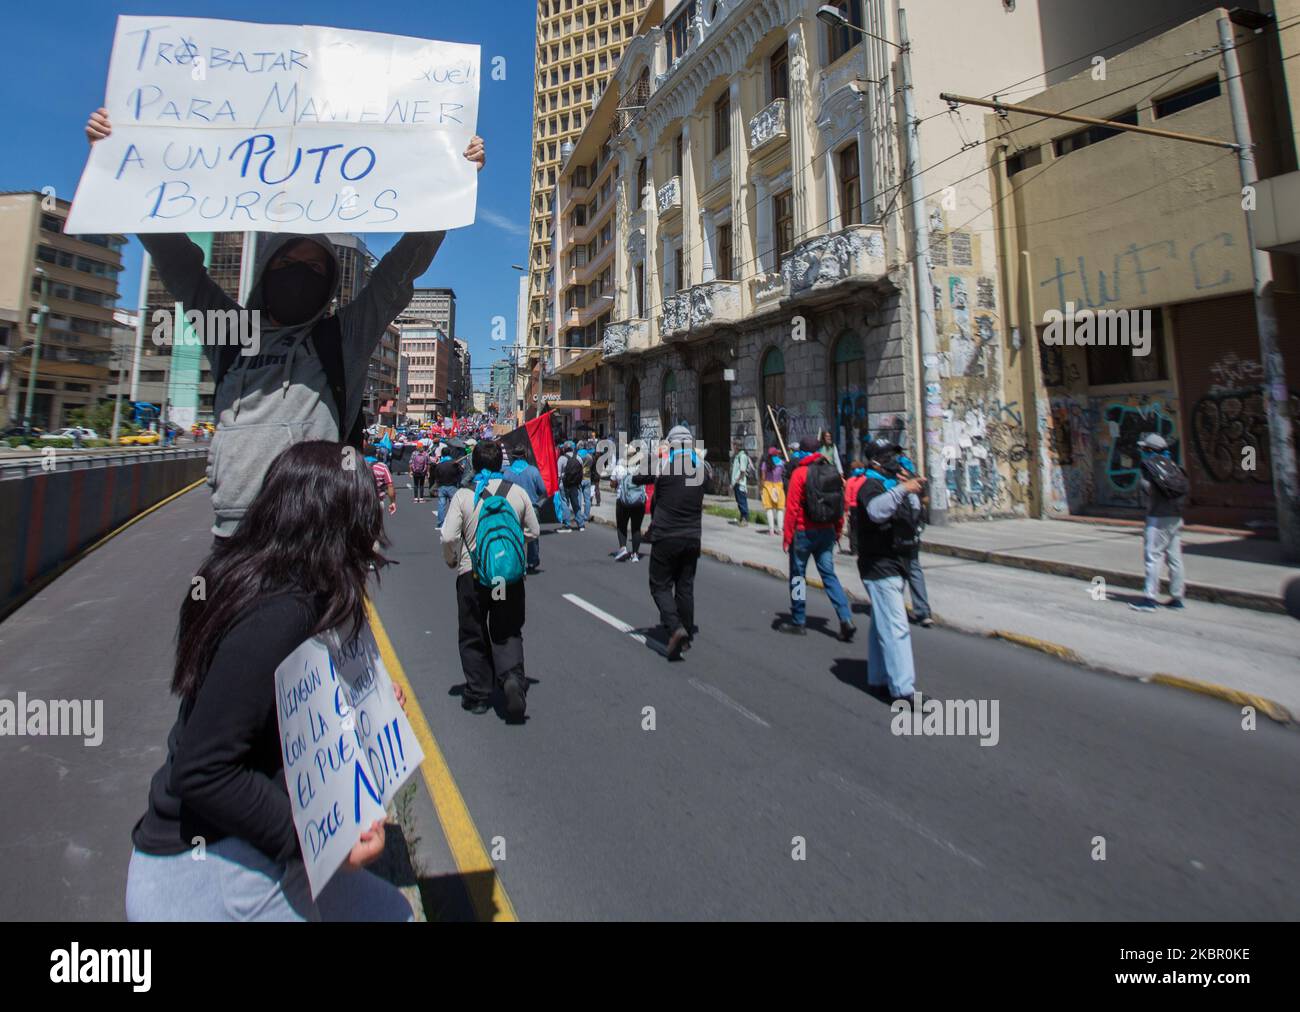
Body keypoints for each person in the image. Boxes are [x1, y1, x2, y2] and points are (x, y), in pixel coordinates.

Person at [85, 108, 485, 539]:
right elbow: (179, 265)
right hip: (234, 540)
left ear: (329, 283)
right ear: (267, 270)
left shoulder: (341, 339)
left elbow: (398, 273)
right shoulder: (232, 333)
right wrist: (123, 164)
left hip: (314, 541)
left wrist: (453, 183)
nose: (299, 273)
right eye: (289, 262)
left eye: (314, 269)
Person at [126, 441, 412, 921]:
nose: (375, 530)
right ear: (336, 523)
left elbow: (280, 713)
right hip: (208, 867)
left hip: (247, 845)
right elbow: (202, 769)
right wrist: (323, 843)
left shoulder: (271, 583)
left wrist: (366, 706)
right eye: (368, 512)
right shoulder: (279, 614)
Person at [440, 440, 539, 720]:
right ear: (500, 464)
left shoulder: (464, 495)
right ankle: (511, 678)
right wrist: (510, 552)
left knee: (473, 631)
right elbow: (533, 530)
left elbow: (448, 537)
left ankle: (478, 694)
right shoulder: (516, 492)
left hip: (472, 576)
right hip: (505, 578)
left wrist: (452, 560)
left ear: (475, 465)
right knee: (506, 628)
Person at [856, 439, 926, 706]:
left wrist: (911, 489)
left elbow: (915, 516)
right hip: (878, 564)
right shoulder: (869, 485)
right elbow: (876, 511)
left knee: (880, 625)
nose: (893, 461)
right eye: (887, 457)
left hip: (898, 562)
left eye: (895, 456)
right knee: (897, 627)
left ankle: (878, 679)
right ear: (875, 461)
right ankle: (903, 691)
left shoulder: (895, 485)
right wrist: (901, 490)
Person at [635, 426, 706, 660]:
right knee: (685, 586)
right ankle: (686, 633)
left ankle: (676, 628)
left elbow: (637, 477)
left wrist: (657, 454)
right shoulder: (700, 466)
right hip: (692, 537)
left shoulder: (663, 464)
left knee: (660, 585)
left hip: (666, 535)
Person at [777, 436, 856, 641]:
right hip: (827, 532)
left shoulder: (800, 473)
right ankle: (845, 617)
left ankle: (798, 620)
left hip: (803, 532)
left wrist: (787, 537)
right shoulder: (831, 472)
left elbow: (792, 508)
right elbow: (840, 505)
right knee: (829, 576)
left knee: (797, 577)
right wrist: (837, 531)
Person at [1131, 432, 1188, 612]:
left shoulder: (1149, 466)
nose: (1142, 451)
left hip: (1158, 517)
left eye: (1144, 448)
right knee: (1175, 558)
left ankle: (1150, 598)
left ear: (1149, 449)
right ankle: (1177, 597)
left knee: (1152, 557)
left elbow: (1147, 489)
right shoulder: (1173, 465)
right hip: (1176, 516)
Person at [895, 452, 934, 627]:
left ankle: (893, 608)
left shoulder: (899, 485)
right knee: (914, 570)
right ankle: (923, 610)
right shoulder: (917, 483)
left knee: (896, 573)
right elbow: (925, 502)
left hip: (900, 535)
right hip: (914, 534)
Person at [509, 454, 549, 574]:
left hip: (513, 508)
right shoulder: (533, 471)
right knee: (532, 535)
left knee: (514, 536)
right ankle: (532, 561)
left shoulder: (507, 473)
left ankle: (515, 561)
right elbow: (543, 490)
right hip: (531, 507)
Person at [613, 454, 647, 562]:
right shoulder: (641, 468)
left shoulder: (619, 468)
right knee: (636, 528)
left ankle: (623, 548)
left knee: (622, 526)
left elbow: (612, 483)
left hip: (622, 501)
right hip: (638, 502)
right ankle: (635, 554)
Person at [558, 441, 585, 532]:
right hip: (575, 484)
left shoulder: (561, 458)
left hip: (564, 484)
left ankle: (567, 525)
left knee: (565, 503)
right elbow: (582, 471)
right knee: (576, 504)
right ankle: (581, 525)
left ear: (564, 449)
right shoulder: (578, 458)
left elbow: (558, 474)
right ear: (573, 448)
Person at [843, 461, 868, 556]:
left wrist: (846, 510)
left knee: (853, 529)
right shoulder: (866, 479)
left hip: (853, 507)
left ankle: (854, 549)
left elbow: (847, 497)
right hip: (864, 506)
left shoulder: (850, 481)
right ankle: (863, 547)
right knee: (863, 527)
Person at [760, 447, 786, 536]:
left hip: (768, 486)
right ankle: (780, 530)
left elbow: (763, 477)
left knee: (769, 509)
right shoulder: (781, 463)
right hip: (779, 486)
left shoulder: (765, 464)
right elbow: (783, 473)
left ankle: (771, 530)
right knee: (780, 509)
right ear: (777, 454)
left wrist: (761, 487)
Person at [433, 448, 463, 527]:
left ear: (442, 454)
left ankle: (440, 523)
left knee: (441, 506)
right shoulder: (454, 463)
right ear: (450, 453)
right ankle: (453, 524)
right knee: (454, 507)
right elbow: (460, 473)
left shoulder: (439, 465)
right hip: (452, 486)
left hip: (441, 486)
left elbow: (436, 475)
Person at [731, 440, 754, 527]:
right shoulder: (737, 456)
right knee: (739, 501)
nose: (733, 447)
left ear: (736, 446)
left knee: (742, 501)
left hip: (740, 484)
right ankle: (742, 518)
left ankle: (745, 519)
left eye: (733, 445)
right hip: (737, 483)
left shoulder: (742, 456)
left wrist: (737, 480)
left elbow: (742, 471)